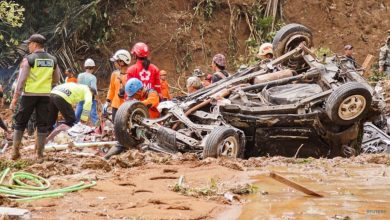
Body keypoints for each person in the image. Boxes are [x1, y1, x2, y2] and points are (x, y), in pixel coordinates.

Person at [9, 34, 61, 161]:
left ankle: (15, 152)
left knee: (20, 122)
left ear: (35, 44)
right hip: (44, 95)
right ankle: (39, 155)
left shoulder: (29, 59)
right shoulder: (52, 60)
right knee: (42, 124)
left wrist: (15, 99)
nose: (28, 46)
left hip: (28, 95)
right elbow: (56, 79)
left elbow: (21, 81)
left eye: (29, 44)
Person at [104, 78, 160, 160]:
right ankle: (105, 159)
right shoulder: (138, 97)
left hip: (155, 127)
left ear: (138, 92)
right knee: (122, 140)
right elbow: (129, 106)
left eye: (134, 96)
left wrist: (132, 106)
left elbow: (149, 103)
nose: (134, 98)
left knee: (146, 146)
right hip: (142, 127)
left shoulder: (152, 94)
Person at [105, 49, 131, 121]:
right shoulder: (114, 74)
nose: (114, 64)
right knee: (115, 126)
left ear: (122, 62)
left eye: (116, 62)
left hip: (126, 106)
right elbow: (111, 89)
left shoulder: (131, 75)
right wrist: (108, 101)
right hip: (115, 105)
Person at [75, 58, 99, 126]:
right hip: (90, 99)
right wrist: (96, 94)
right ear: (93, 67)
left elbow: (78, 87)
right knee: (93, 115)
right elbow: (94, 90)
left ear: (85, 67)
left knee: (77, 114)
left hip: (81, 98)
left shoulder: (80, 75)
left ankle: (73, 127)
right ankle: (98, 128)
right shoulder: (93, 77)